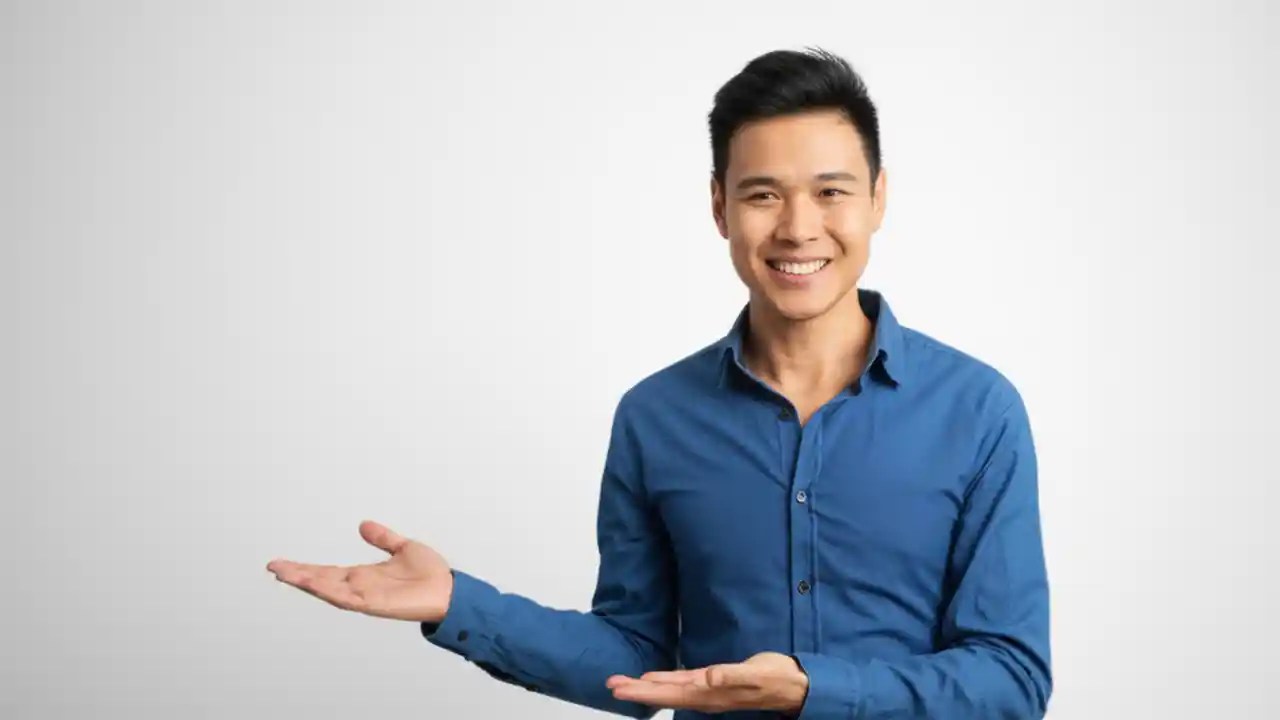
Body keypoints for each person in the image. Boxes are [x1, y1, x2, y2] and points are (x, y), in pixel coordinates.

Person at [266, 46, 1052, 719]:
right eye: (763, 193)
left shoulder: (977, 411)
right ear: (720, 207)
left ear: (878, 199)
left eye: (831, 191)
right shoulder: (655, 417)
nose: (798, 226)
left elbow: (1013, 678)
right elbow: (636, 658)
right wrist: (457, 605)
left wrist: (811, 689)